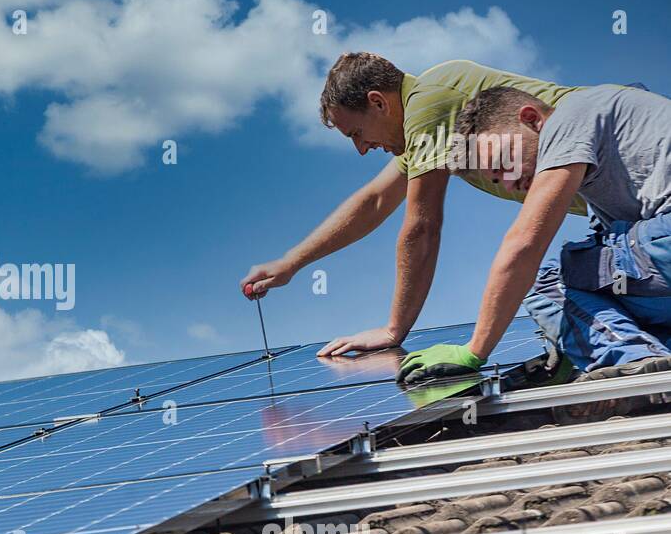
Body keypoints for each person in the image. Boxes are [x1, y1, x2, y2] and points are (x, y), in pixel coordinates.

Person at [240, 54, 585, 357]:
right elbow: (375, 201)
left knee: (558, 290)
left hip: (631, 170)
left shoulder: (427, 105)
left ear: (378, 102)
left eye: (356, 133)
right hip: (619, 199)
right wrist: (292, 263)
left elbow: (421, 227)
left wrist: (394, 329)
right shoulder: (432, 101)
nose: (362, 149)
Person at [396, 83, 671, 418]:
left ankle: (635, 365)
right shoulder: (618, 128)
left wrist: (474, 352)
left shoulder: (571, 117)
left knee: (549, 281)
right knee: (606, 278)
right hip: (660, 261)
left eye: (502, 164)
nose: (509, 184)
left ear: (531, 119)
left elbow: (524, 246)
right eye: (497, 181)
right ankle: (648, 360)